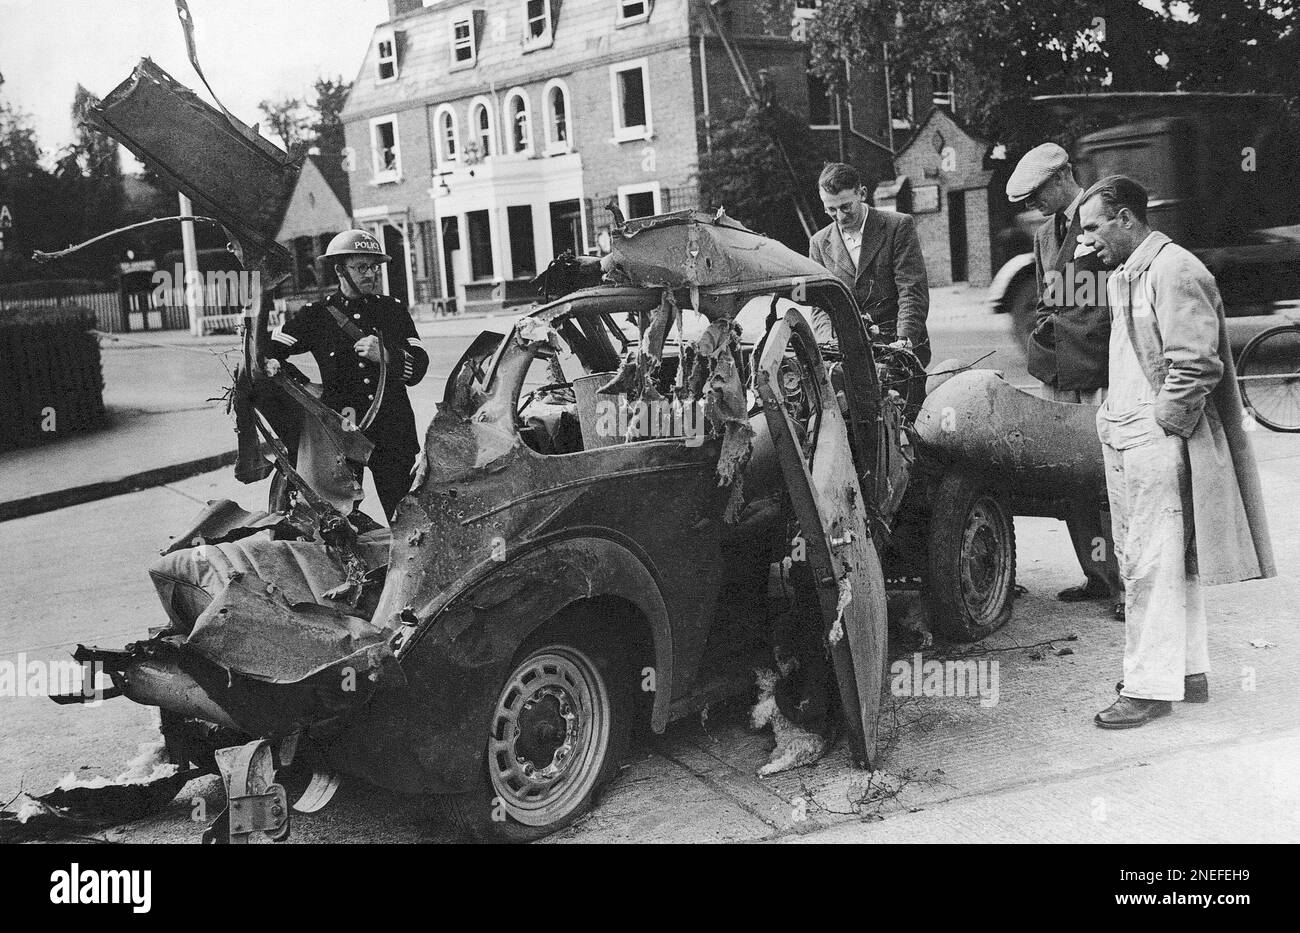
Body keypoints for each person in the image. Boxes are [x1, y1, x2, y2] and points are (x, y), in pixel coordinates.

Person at [1077, 175, 1275, 728]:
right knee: (1163, 562)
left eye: (1093, 227)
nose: (1085, 241)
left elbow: (1197, 361)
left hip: (1153, 438)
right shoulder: (1131, 272)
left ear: (1126, 218)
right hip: (1128, 432)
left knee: (1148, 566)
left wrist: (1164, 423)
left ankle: (1146, 687)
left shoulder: (1174, 269)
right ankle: (1186, 671)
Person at [1006, 142, 1124, 618]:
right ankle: (1096, 575)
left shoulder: (1098, 218)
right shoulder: (1044, 234)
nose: (1033, 206)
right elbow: (1049, 297)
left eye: (1038, 194)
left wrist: (1069, 330)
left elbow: (1108, 300)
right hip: (1057, 366)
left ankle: (1124, 586)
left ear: (1062, 179)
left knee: (1105, 478)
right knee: (1069, 477)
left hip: (1095, 365)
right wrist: (1043, 331)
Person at [266, 229, 429, 520]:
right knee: (341, 519)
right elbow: (268, 351)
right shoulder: (317, 315)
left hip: (392, 431)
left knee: (404, 518)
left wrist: (388, 355)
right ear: (340, 270)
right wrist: (304, 386)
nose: (371, 274)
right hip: (342, 431)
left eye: (374, 267)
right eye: (361, 267)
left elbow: (419, 365)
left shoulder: (392, 310)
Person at [808, 163, 930, 412]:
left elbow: (912, 289)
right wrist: (827, 343)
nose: (840, 217)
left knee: (906, 422)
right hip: (848, 353)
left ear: (862, 193)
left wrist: (904, 339)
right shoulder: (819, 243)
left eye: (845, 207)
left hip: (896, 347)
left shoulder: (898, 226)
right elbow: (820, 305)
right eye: (830, 209)